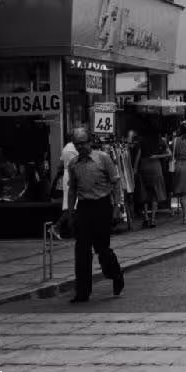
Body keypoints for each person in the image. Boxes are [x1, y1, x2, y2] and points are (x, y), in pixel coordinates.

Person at [64, 127, 124, 303]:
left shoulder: (102, 158)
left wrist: (117, 206)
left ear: (90, 142)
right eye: (77, 144)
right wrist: (69, 212)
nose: (81, 147)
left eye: (83, 143)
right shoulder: (73, 164)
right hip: (84, 208)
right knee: (81, 251)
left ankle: (115, 274)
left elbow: (116, 182)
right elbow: (72, 190)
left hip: (102, 206)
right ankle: (82, 291)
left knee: (102, 249)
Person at [136, 129, 170, 228]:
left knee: (145, 192)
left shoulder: (141, 140)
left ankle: (146, 217)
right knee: (155, 193)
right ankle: (153, 220)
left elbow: (138, 155)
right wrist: (157, 156)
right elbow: (169, 154)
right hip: (155, 166)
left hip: (144, 165)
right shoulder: (161, 140)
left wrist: (135, 168)